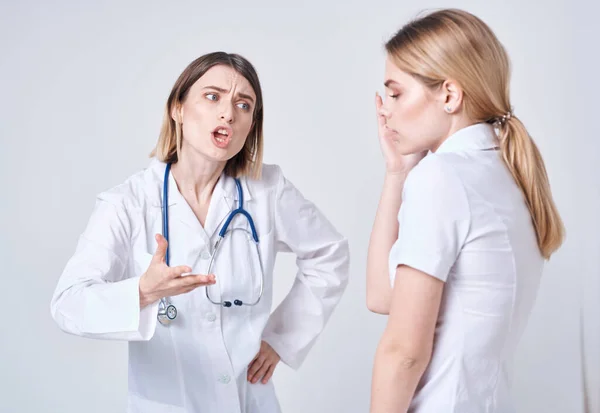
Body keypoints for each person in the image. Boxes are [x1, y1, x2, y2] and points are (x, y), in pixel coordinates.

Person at [50, 51, 349, 413]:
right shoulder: (127, 203)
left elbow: (329, 254)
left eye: (244, 104)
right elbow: (67, 305)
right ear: (178, 108)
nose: (228, 113)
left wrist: (282, 339)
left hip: (250, 401)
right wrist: (141, 293)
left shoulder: (267, 189)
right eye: (213, 96)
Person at [366, 9, 565, 413]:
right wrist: (397, 172)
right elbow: (383, 296)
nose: (384, 109)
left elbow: (404, 351)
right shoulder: (501, 171)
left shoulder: (443, 178)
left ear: (450, 95)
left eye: (396, 92)